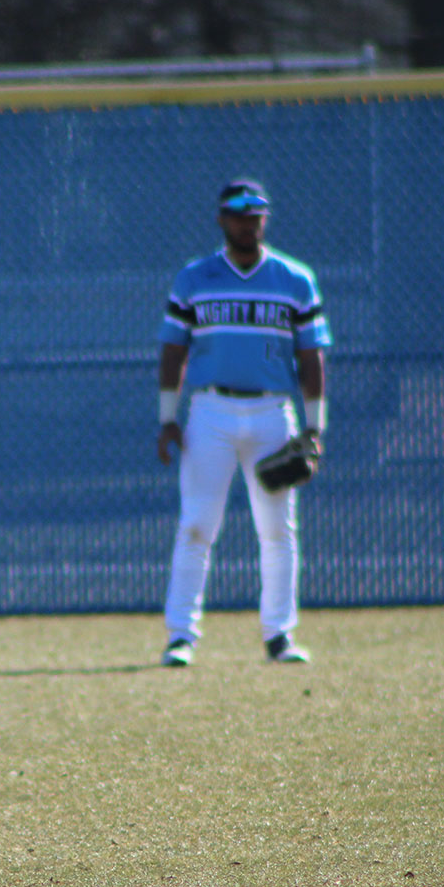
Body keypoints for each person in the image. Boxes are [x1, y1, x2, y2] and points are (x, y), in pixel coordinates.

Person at [154, 178, 329, 668]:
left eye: (255, 214)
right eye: (237, 213)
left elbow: (311, 356)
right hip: (210, 412)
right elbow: (173, 350)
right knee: (196, 526)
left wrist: (313, 428)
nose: (247, 222)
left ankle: (279, 635)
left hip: (273, 411)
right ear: (221, 218)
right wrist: (168, 418)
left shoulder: (295, 278)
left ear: (265, 220)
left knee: (277, 529)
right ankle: (180, 635)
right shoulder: (195, 278)